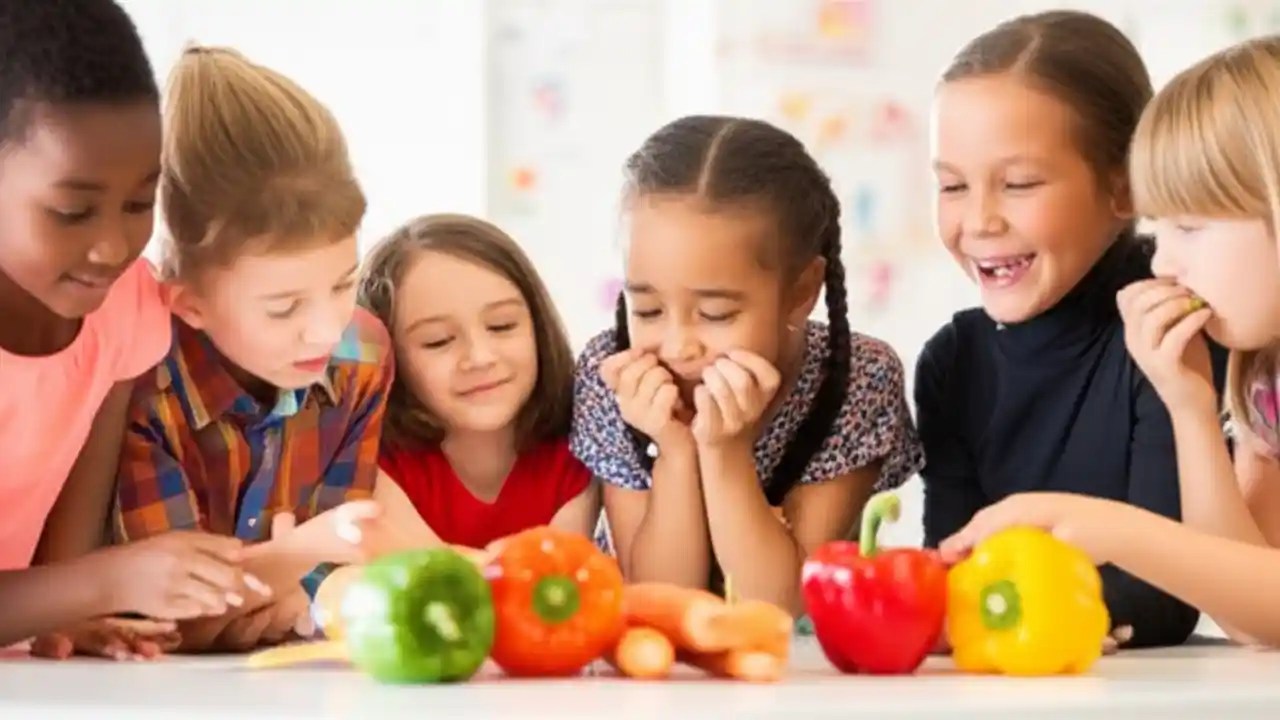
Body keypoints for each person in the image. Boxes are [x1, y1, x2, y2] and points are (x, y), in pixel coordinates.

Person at [941, 34, 1280, 649]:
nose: (1164, 263)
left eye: (1189, 226)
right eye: (1159, 227)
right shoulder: (1263, 380)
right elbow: (1250, 614)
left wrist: (1113, 530)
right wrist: (1189, 405)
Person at [570, 115, 923, 614]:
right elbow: (664, 600)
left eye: (715, 314)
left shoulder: (856, 381)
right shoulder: (613, 376)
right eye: (647, 309)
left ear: (801, 292)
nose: (677, 347)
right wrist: (674, 451)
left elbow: (781, 605)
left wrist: (725, 452)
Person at [112, 46, 394, 653]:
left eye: (344, 284)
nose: (326, 331)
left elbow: (335, 572)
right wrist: (300, 553)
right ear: (190, 305)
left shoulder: (363, 355)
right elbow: (167, 614)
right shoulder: (144, 382)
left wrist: (302, 582)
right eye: (284, 308)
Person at [0, 0, 255, 652]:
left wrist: (68, 612)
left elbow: (62, 570)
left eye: (140, 202)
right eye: (71, 211)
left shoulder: (124, 307)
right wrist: (102, 583)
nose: (113, 246)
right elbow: (81, 579)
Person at [359, 214, 598, 549]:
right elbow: (427, 571)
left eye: (502, 326)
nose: (480, 357)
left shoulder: (582, 445)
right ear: (388, 356)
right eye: (438, 341)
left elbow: (559, 573)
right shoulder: (371, 459)